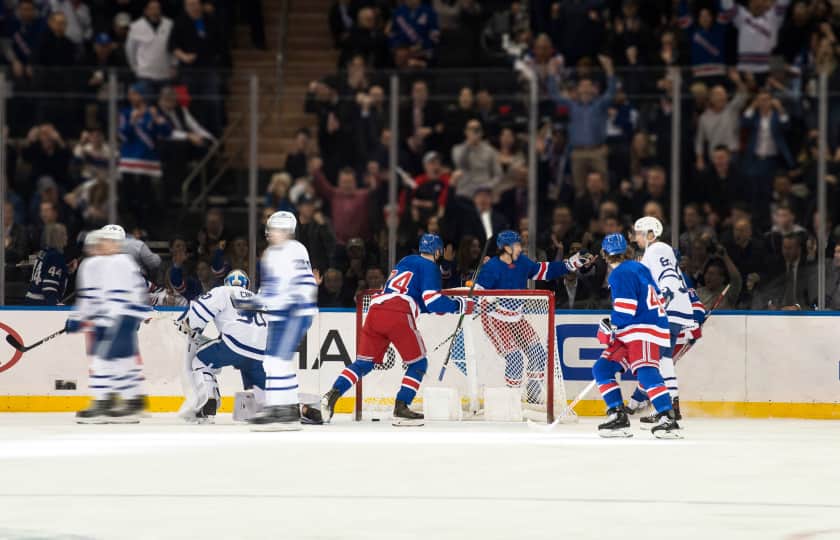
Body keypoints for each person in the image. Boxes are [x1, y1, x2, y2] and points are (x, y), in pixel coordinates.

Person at [320, 234, 473, 426]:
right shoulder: (431, 267)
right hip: (398, 313)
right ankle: (401, 405)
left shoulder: (405, 261)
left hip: (375, 310)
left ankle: (333, 394)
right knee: (418, 363)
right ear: (438, 251)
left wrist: (443, 308)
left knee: (363, 364)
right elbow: (432, 301)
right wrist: (459, 305)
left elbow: (418, 299)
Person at [471, 230, 591, 402]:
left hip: (516, 318)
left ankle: (533, 395)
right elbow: (476, 295)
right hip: (495, 319)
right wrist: (483, 298)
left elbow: (543, 271)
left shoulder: (522, 262)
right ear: (506, 248)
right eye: (517, 245)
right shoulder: (491, 267)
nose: (521, 247)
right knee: (515, 358)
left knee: (537, 353)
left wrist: (570, 264)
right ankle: (511, 399)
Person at [235, 211, 321, 430]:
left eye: (274, 229)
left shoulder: (294, 250)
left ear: (285, 230)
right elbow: (270, 289)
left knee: (277, 362)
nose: (270, 233)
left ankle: (281, 412)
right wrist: (256, 303)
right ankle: (286, 407)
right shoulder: (272, 254)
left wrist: (296, 306)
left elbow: (305, 284)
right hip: (279, 313)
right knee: (271, 363)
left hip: (293, 313)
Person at [592, 233, 681, 439]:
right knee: (602, 368)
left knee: (646, 371)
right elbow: (657, 298)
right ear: (627, 251)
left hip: (643, 329)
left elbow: (625, 311)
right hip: (636, 329)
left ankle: (667, 418)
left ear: (604, 254)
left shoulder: (619, 274)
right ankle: (617, 415)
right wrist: (614, 325)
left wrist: (609, 325)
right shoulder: (639, 267)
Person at [65, 225, 152, 423]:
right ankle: (132, 402)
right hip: (112, 320)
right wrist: (78, 318)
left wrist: (123, 318)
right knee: (122, 361)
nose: (103, 245)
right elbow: (90, 298)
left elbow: (131, 295)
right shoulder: (96, 264)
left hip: (119, 319)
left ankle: (102, 403)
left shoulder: (120, 262)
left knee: (103, 360)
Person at [175, 270, 276, 424]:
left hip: (234, 344)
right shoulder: (258, 299)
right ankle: (263, 407)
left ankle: (208, 399)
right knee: (254, 376)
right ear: (246, 285)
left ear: (227, 282)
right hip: (260, 350)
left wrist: (188, 324)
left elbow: (200, 311)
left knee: (200, 361)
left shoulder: (223, 291)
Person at [625, 217, 693, 421]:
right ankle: (671, 406)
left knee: (658, 360)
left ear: (651, 235)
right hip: (673, 309)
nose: (636, 238)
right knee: (662, 359)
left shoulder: (657, 249)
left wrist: (666, 293)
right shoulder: (654, 252)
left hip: (669, 309)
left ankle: (668, 407)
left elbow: (669, 275)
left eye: (639, 233)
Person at [25, 222, 70, 305]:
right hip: (41, 303)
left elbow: (44, 273)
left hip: (30, 300)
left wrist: (66, 270)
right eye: (65, 235)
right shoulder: (56, 257)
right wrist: (54, 306)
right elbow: (49, 288)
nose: (67, 237)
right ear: (58, 238)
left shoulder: (43, 253)